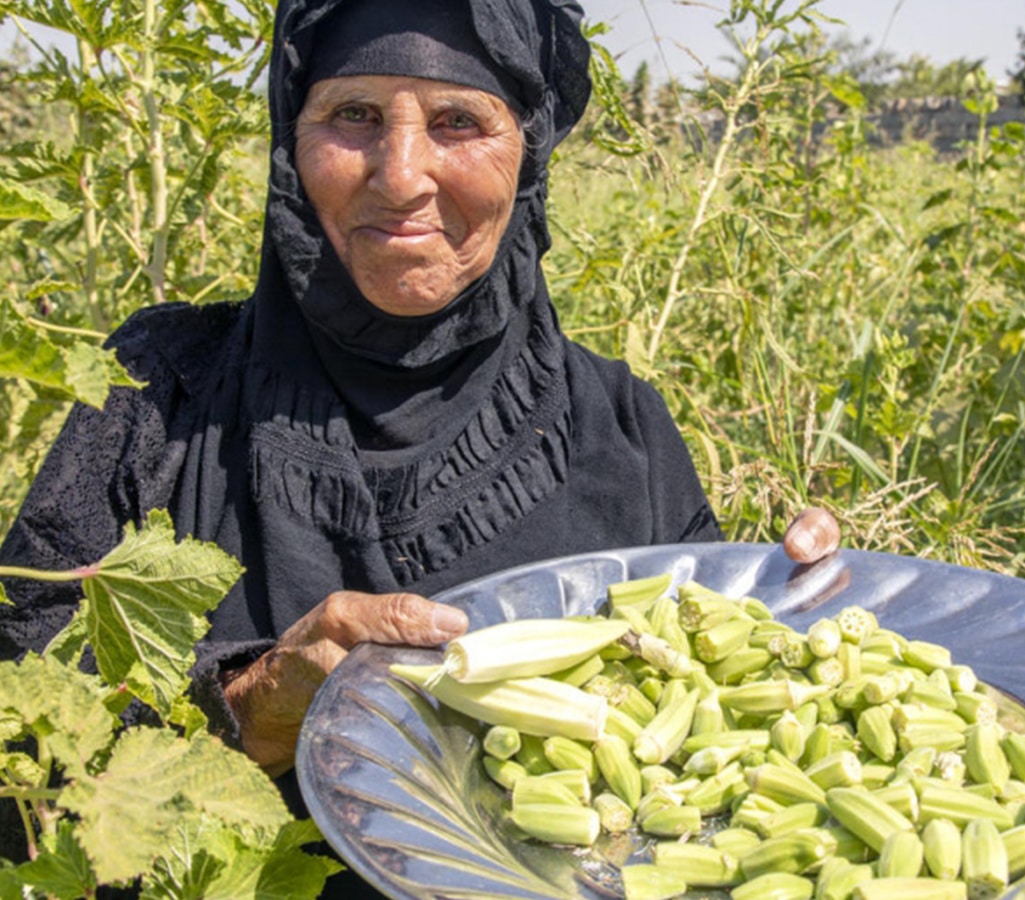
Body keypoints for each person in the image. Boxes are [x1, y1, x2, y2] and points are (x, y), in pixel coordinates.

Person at [0, 0, 838, 891]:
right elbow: (21, 770)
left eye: (459, 122)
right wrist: (252, 709)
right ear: (292, 139)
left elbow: (721, 770)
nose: (400, 177)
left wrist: (808, 623)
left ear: (530, 151)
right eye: (353, 116)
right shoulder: (156, 394)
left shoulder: (622, 428)